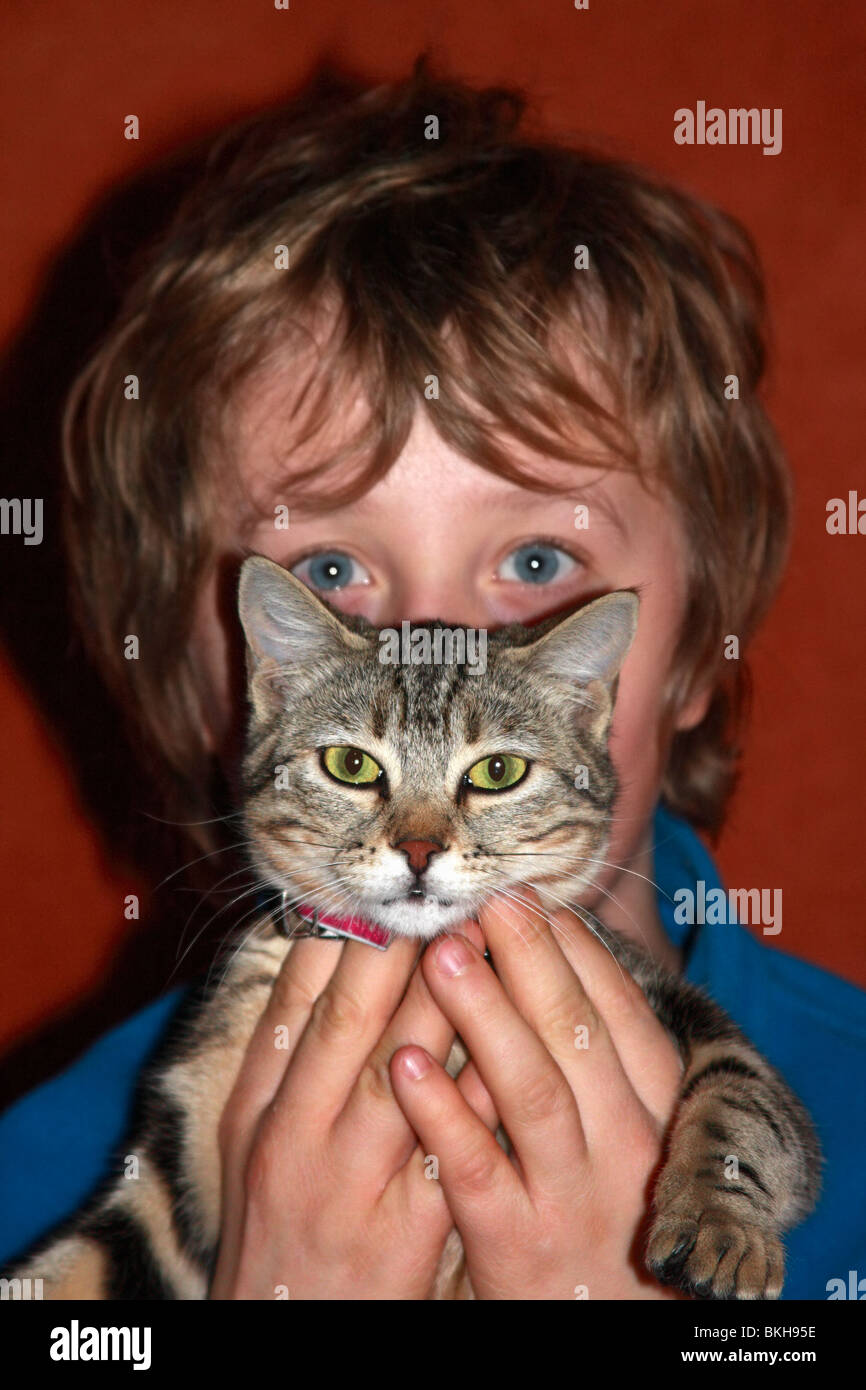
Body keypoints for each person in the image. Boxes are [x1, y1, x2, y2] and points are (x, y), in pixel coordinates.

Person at [1, 63, 864, 1300]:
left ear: (679, 656)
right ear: (227, 690)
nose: (430, 650)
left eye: (533, 559)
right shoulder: (33, 1175)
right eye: (333, 568)